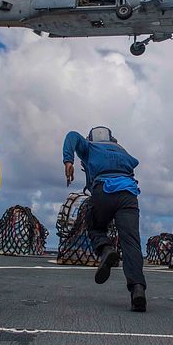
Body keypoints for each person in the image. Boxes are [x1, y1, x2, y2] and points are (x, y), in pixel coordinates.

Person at [63, 126, 147, 311]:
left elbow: (72, 136)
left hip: (103, 190)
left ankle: (105, 248)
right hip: (128, 193)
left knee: (94, 225)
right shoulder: (120, 150)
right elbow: (134, 163)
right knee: (131, 242)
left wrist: (68, 160)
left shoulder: (90, 147)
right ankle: (137, 289)